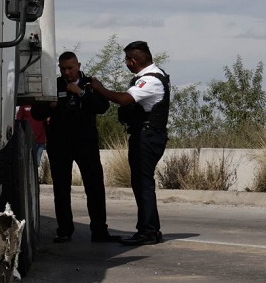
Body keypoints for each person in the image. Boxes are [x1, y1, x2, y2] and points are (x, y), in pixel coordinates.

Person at [31, 52, 118, 243]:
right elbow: (36, 112)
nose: (67, 72)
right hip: (59, 143)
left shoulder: (90, 84)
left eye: (70, 68)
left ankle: (99, 231)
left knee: (94, 186)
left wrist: (81, 93)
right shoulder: (54, 85)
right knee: (61, 189)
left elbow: (102, 107)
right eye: (63, 68)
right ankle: (64, 229)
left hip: (85, 143)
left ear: (78, 65)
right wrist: (50, 106)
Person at [88, 41, 169, 246]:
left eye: (126, 60)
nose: (125, 64)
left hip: (147, 137)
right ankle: (149, 229)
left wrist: (100, 88)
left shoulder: (150, 80)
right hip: (146, 135)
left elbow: (124, 99)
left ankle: (148, 232)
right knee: (141, 183)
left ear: (133, 61)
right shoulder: (154, 75)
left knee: (143, 184)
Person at [15, 104, 47, 179]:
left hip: (40, 141)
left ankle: (34, 178)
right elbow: (19, 120)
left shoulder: (42, 106)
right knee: (27, 162)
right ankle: (28, 178)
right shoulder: (23, 106)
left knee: (36, 162)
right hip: (28, 140)